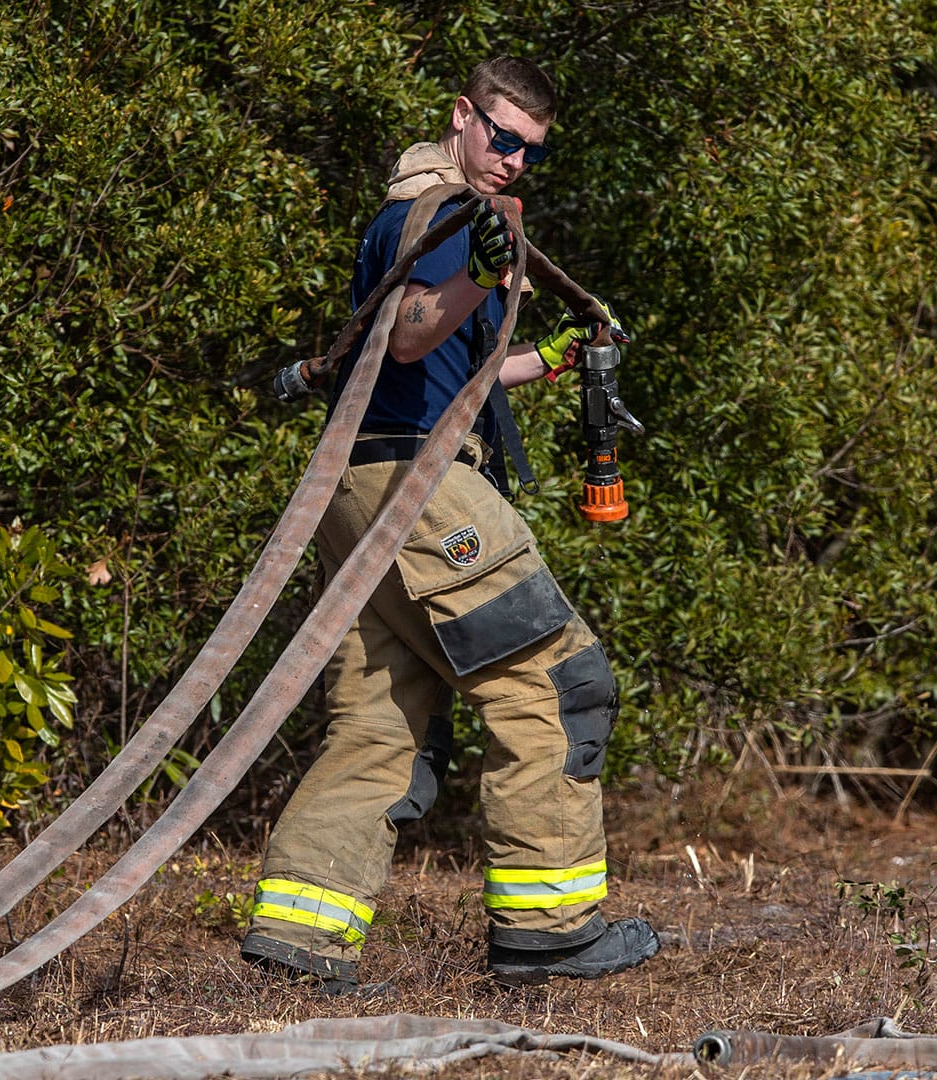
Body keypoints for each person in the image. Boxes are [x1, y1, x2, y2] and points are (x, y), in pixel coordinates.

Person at [240, 57, 660, 992]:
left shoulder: (414, 217)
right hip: (422, 485)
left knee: (378, 724)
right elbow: (412, 332)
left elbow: (435, 365)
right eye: (501, 137)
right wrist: (480, 269)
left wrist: (545, 360)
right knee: (558, 682)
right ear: (463, 117)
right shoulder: (442, 216)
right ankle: (549, 931)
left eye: (529, 151)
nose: (512, 160)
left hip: (361, 488)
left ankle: (299, 938)